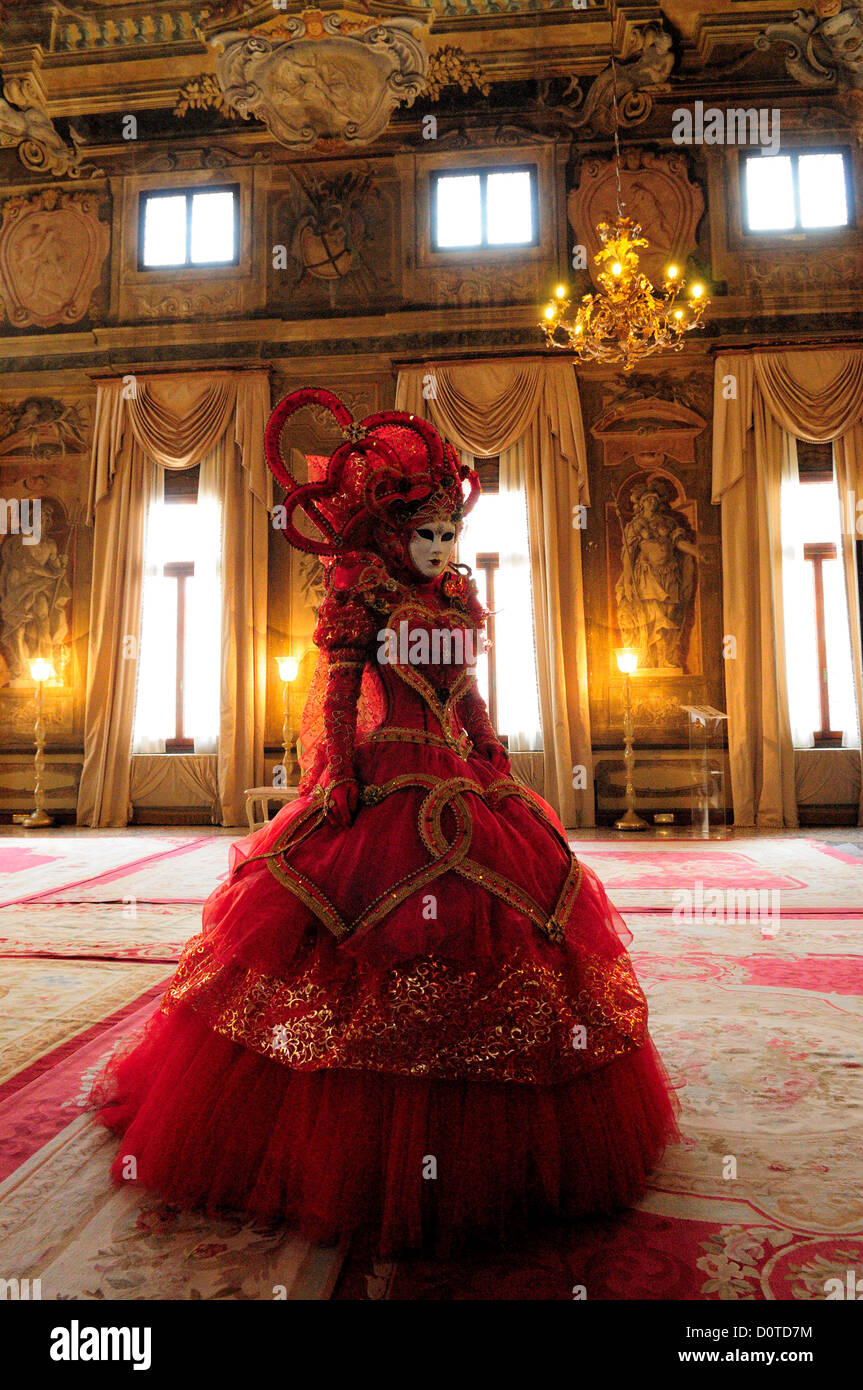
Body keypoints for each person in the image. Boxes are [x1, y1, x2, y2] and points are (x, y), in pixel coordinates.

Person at [90, 386, 679, 1256]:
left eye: (449, 535)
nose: (440, 549)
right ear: (389, 535)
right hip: (384, 773)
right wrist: (338, 775)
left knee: (521, 920)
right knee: (350, 932)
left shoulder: (457, 603)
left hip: (463, 775)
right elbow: (337, 694)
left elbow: (467, 692)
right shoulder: (361, 595)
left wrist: (489, 747)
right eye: (425, 534)